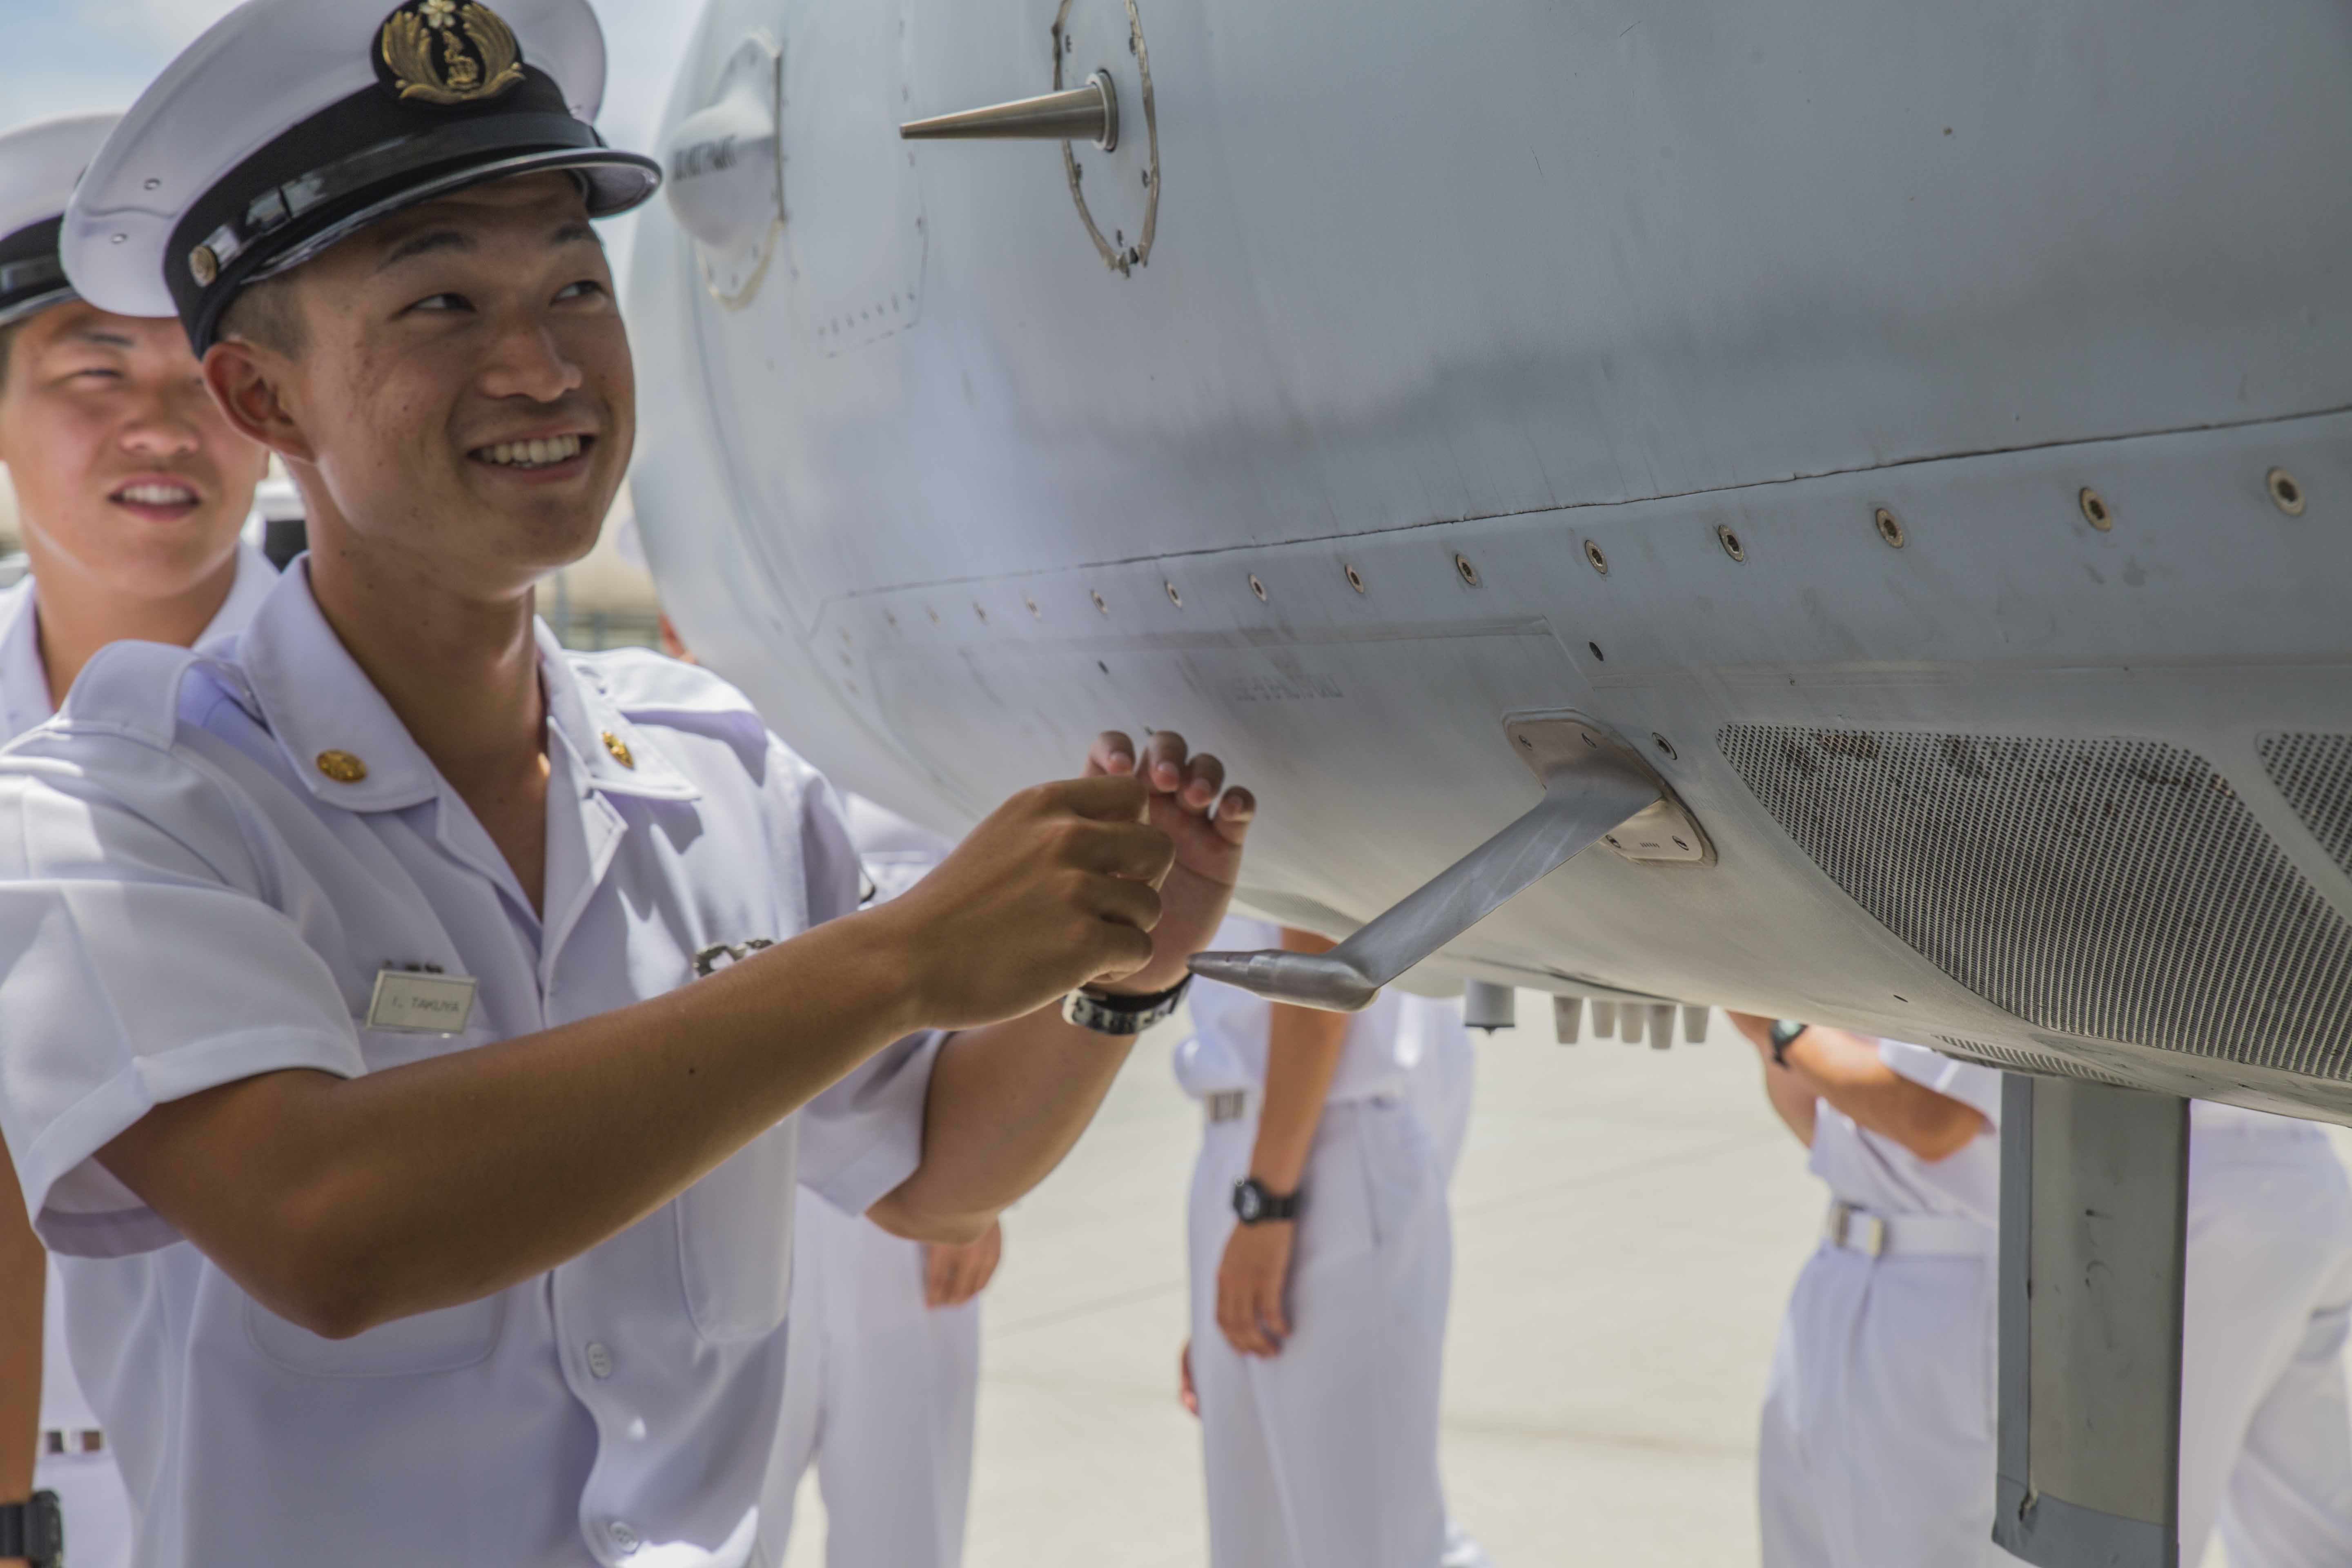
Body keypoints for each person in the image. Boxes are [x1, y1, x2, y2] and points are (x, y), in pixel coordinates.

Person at [0, 5, 1256, 1566]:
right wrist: (901, 961)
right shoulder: (115, 808)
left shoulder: (715, 772)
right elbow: (327, 1226)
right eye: (443, 302)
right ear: (266, 402)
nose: (538, 365)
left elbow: (930, 1171)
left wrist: (1120, 984)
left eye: (576, 289)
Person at [0, 110, 275, 1568]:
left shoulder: (411, 736)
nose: (160, 427)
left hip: (303, 1481)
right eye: (94, 370)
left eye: (205, 379)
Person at [1734, 1015, 2352, 1568]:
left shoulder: (1936, 904)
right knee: (2307, 1522)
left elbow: (1933, 1119)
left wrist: (1778, 1029)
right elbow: (1824, 1123)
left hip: (2174, 1204)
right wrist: (1781, 1030)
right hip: (2269, 1182)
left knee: (2126, 1536)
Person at [1176, 916, 1490, 1568]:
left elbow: (1321, 975)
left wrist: (1267, 1204)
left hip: (1317, 1153)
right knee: (1261, 1545)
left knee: (1372, 1543)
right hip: (1257, 1150)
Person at [768, 796, 1002, 1568]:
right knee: (715, 1524)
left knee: (902, 1527)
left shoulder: (912, 777)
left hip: (896, 1201)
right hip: (735, 1195)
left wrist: (989, 1200)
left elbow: (988, 988)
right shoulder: (672, 762)